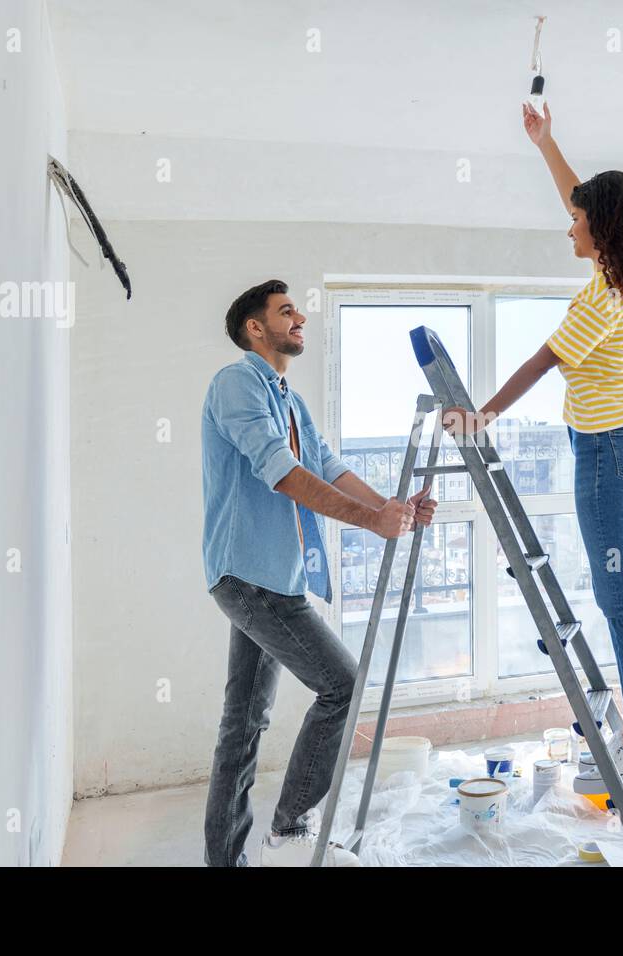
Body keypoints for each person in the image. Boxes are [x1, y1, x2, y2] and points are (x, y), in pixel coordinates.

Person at [445, 102, 623, 795]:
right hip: (617, 445)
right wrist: (546, 143)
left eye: (578, 220)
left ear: (601, 230)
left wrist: (481, 418)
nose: (568, 224)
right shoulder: (620, 274)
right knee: (620, 593)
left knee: (620, 597)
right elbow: (579, 195)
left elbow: (544, 360)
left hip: (608, 454)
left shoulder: (604, 297)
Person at [202, 279, 438, 866]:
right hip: (250, 578)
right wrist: (372, 521)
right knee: (343, 686)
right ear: (255, 328)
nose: (300, 317)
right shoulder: (237, 383)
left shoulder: (289, 399)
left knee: (243, 724)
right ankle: (289, 831)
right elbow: (282, 472)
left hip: (271, 579)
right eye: (286, 311)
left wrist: (393, 508)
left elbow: (326, 466)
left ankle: (225, 861)